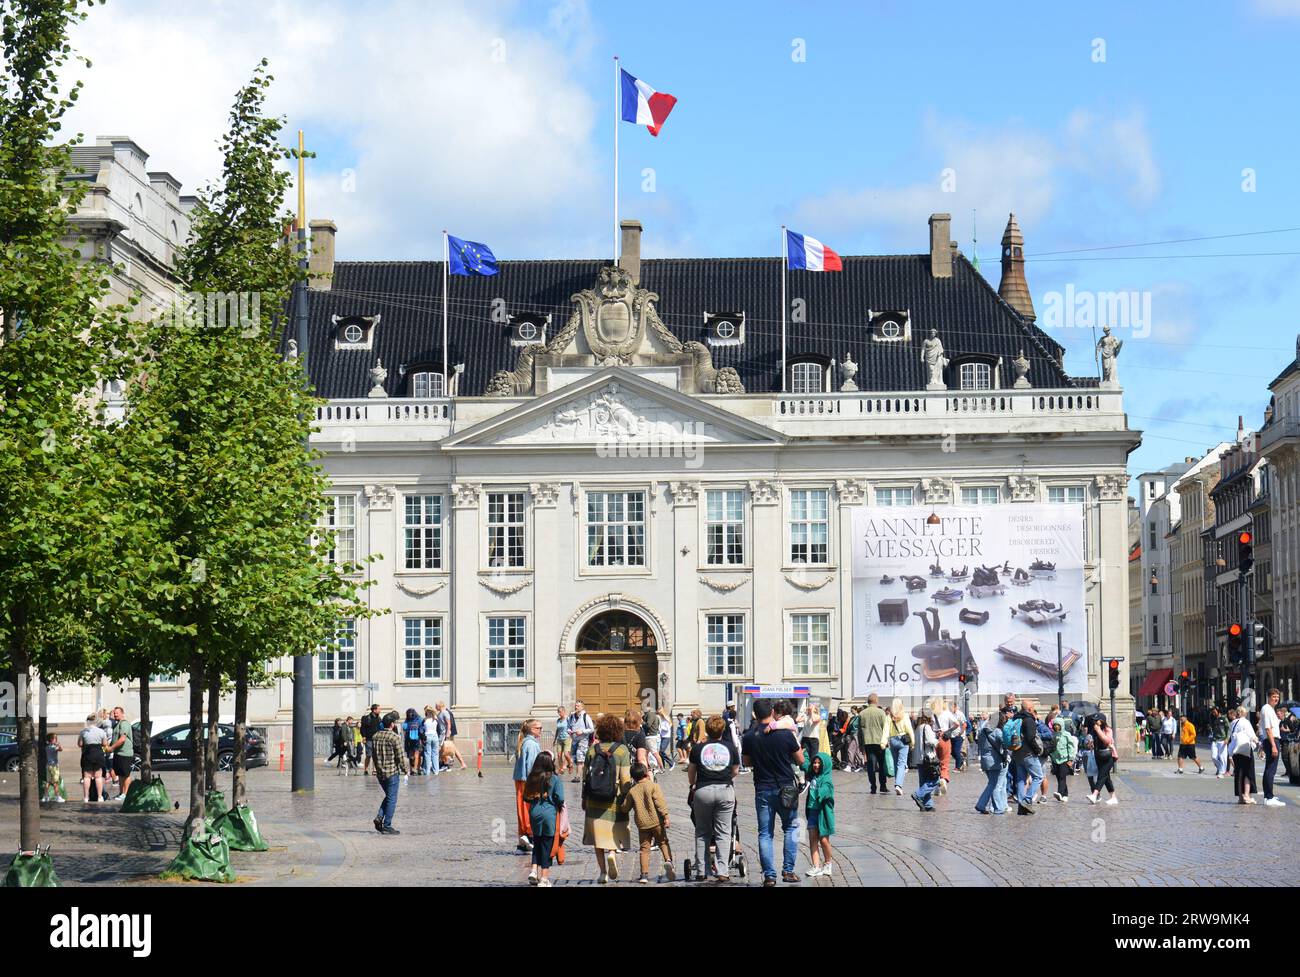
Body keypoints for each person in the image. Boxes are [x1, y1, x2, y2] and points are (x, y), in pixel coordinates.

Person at [741, 698, 804, 886]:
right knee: (791, 828)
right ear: (772, 712)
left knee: (765, 834)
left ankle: (769, 875)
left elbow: (747, 762)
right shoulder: (785, 734)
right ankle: (788, 871)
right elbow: (800, 759)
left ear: (754, 714)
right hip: (786, 786)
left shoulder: (750, 736)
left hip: (763, 788)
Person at [581, 712, 633, 883]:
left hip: (594, 798)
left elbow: (585, 777)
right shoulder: (622, 750)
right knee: (614, 830)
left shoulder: (592, 749)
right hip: (614, 798)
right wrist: (627, 797)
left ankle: (603, 872)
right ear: (618, 731)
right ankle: (612, 853)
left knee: (598, 836)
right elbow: (625, 779)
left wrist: (583, 798)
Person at [687, 715, 739, 882]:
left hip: (703, 790)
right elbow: (736, 771)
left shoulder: (698, 748)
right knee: (724, 832)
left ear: (707, 730)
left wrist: (693, 785)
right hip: (725, 789)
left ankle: (701, 870)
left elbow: (691, 771)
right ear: (722, 730)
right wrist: (725, 777)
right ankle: (722, 870)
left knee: (702, 831)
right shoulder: (730, 747)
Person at [620, 762, 675, 883]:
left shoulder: (632, 791)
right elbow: (660, 803)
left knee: (644, 848)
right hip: (656, 822)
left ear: (633, 777)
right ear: (646, 773)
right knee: (663, 842)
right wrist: (666, 817)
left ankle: (644, 875)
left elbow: (625, 808)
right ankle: (668, 861)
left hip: (642, 824)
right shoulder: (653, 786)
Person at [523, 751, 564, 886]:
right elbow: (561, 798)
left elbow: (525, 797)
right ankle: (544, 878)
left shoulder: (532, 777)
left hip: (534, 812)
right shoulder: (554, 779)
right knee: (547, 845)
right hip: (549, 813)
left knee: (537, 842)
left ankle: (534, 871)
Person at [371, 711, 407, 834]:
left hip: (380, 773)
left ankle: (379, 818)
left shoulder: (375, 736)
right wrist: (405, 770)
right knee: (392, 799)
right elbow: (400, 757)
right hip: (392, 772)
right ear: (392, 724)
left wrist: (376, 768)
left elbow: (373, 755)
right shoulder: (394, 737)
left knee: (389, 797)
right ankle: (387, 824)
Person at [803, 751, 836, 875]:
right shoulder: (812, 774)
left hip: (823, 814)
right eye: (815, 763)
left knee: (823, 840)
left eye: (819, 763)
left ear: (824, 765)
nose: (816, 765)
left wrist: (820, 793)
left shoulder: (826, 778)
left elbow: (827, 788)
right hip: (812, 812)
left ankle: (828, 863)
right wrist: (805, 753)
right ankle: (816, 866)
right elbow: (804, 764)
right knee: (812, 839)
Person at [513, 718, 542, 853]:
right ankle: (529, 837)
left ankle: (523, 840)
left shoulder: (524, 742)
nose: (541, 730)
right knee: (529, 808)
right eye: (538, 728)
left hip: (521, 780)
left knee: (522, 809)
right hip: (529, 781)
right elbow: (531, 765)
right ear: (532, 729)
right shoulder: (531, 744)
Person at [1012, 701, 1044, 814]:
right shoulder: (1029, 720)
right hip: (1028, 753)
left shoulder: (1015, 718)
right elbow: (1031, 738)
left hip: (1017, 753)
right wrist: (1037, 749)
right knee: (1039, 776)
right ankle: (1027, 799)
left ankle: (1021, 806)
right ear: (1030, 709)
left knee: (1021, 780)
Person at [974, 711, 1008, 815]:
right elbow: (1005, 743)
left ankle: (983, 804)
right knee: (994, 785)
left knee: (991, 784)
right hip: (994, 761)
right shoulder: (997, 731)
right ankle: (995, 807)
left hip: (985, 760)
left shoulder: (982, 730)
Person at [1258, 688, 1286, 807]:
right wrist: (1273, 745)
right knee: (1271, 769)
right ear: (1269, 697)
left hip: (1271, 740)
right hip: (1272, 740)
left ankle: (1269, 795)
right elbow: (1268, 729)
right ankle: (1268, 797)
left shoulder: (1271, 710)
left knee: (1270, 768)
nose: (1276, 699)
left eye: (1277, 697)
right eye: (1274, 697)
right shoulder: (1267, 709)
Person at [858, 694, 888, 794]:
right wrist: (886, 741)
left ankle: (873, 786)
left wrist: (861, 744)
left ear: (868, 701)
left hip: (868, 742)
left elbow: (859, 731)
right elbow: (885, 728)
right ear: (876, 701)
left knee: (871, 765)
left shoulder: (862, 713)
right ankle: (883, 785)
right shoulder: (881, 712)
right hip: (880, 742)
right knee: (882, 764)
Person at [1086, 714, 1118, 806]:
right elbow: (1090, 739)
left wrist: (1098, 730)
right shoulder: (1094, 729)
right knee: (1106, 777)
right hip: (1098, 755)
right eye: (1095, 720)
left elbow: (1107, 741)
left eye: (1097, 720)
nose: (1096, 722)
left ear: (1102, 721)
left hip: (1109, 755)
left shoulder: (1108, 730)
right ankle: (1113, 797)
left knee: (1102, 776)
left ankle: (1094, 795)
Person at [1229, 705, 1259, 803]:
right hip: (1246, 749)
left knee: (1239, 773)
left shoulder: (1233, 723)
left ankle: (1240, 797)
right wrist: (1258, 743)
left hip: (1236, 750)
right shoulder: (1246, 722)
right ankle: (1246, 795)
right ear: (1244, 713)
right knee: (1248, 772)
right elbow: (1251, 735)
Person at [78, 714, 108, 804]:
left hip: (87, 754)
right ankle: (99, 797)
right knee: (98, 776)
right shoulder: (101, 731)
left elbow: (80, 744)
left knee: (87, 777)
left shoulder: (83, 732)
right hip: (98, 754)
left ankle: (86, 797)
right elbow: (105, 743)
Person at [885, 698, 913, 795]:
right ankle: (898, 785)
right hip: (903, 740)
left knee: (896, 763)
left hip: (893, 740)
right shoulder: (904, 715)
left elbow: (885, 730)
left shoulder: (889, 716)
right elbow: (909, 729)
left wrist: (883, 741)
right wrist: (912, 742)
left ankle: (897, 784)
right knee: (901, 764)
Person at [108, 706, 134, 801]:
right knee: (120, 774)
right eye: (114, 713)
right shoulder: (117, 724)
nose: (115, 714)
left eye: (117, 713)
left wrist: (111, 748)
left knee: (126, 774)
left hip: (125, 753)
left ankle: (126, 794)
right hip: (118, 753)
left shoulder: (124, 724)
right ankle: (121, 793)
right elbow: (115, 739)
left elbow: (122, 739)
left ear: (122, 713)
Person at [1049, 717, 1078, 802]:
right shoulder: (1052, 735)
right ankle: (1065, 795)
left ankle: (1060, 793)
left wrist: (1071, 759)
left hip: (1064, 759)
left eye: (1058, 725)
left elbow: (1071, 747)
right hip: (1055, 759)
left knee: (1062, 776)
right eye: (1055, 725)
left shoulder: (1066, 735)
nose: (1056, 727)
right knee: (1058, 777)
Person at [568, 701, 594, 784]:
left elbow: (591, 729)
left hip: (583, 740)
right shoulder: (571, 716)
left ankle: (578, 776)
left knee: (580, 758)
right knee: (576, 759)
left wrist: (582, 731)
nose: (576, 707)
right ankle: (587, 773)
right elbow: (568, 726)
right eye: (575, 706)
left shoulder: (586, 717)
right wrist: (569, 731)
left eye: (578, 706)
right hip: (574, 740)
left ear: (582, 707)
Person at [1209, 706, 1230, 778]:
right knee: (1214, 756)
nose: (1213, 713)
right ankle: (1220, 768)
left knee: (1222, 757)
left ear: (1218, 711)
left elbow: (1228, 729)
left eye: (1214, 712)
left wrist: (1227, 738)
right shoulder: (1213, 719)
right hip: (1215, 740)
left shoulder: (1224, 719)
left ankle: (1222, 772)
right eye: (1212, 712)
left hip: (1222, 740)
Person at [360, 703, 382, 775]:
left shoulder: (379, 718)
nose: (380, 710)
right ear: (374, 710)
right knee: (369, 755)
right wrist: (363, 737)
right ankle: (365, 770)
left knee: (376, 755)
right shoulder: (366, 718)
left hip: (377, 739)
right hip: (369, 739)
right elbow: (363, 728)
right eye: (379, 709)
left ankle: (375, 770)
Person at [43, 733, 65, 803]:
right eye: (55, 739)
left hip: (48, 766)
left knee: (48, 782)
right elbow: (61, 749)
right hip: (54, 766)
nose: (56, 740)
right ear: (51, 740)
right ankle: (57, 797)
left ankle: (46, 796)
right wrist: (58, 744)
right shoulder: (53, 747)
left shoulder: (47, 747)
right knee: (55, 782)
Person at [552, 706, 571, 775]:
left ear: (564, 711)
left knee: (566, 754)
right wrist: (555, 739)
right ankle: (561, 769)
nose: (559, 713)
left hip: (567, 738)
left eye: (560, 711)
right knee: (559, 755)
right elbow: (557, 730)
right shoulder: (558, 720)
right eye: (558, 712)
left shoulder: (568, 719)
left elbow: (572, 727)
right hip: (559, 739)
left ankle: (570, 763)